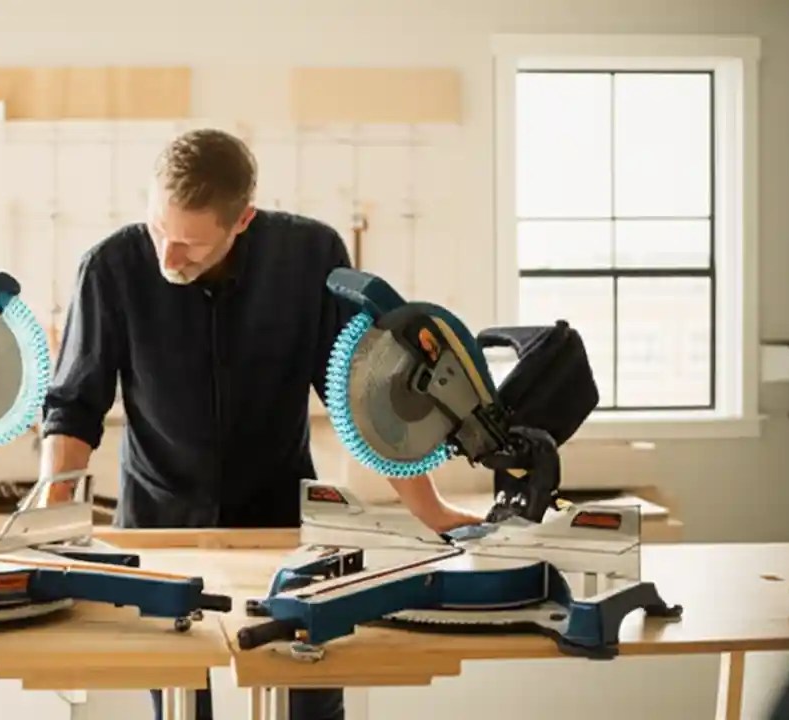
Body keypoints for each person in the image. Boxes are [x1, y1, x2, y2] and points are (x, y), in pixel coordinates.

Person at [36, 128, 484, 720]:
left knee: (309, 703)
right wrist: (48, 520)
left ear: (242, 220)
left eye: (191, 245)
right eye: (158, 231)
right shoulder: (111, 267)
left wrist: (431, 511)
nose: (168, 258)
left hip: (284, 527)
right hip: (162, 526)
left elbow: (365, 404)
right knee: (177, 707)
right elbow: (73, 407)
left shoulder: (311, 258)